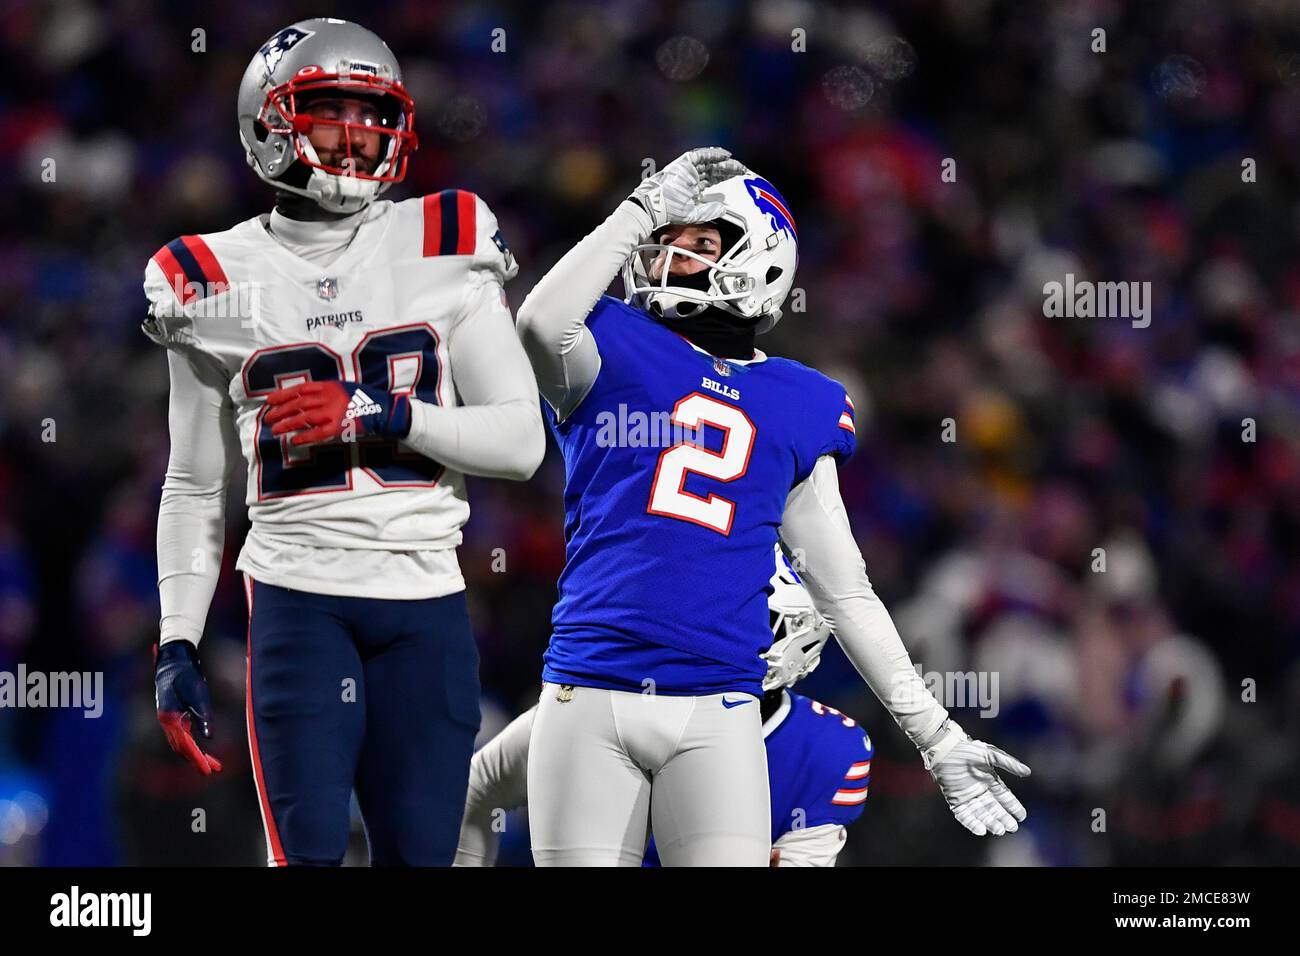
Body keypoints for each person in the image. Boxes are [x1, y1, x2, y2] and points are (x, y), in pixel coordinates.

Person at [515, 148, 1029, 866]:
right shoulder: (612, 345)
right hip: (587, 687)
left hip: (720, 704)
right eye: (667, 239)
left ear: (761, 259)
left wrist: (937, 736)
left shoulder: (800, 399)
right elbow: (539, 322)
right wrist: (641, 211)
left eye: (698, 242)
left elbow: (844, 589)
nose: (666, 253)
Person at [145, 18, 544, 866]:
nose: (361, 137)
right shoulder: (206, 275)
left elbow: (520, 442)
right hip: (297, 599)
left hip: (427, 600)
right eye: (335, 113)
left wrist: (382, 412)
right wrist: (178, 637)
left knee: (420, 857)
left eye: (375, 115)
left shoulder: (446, 237)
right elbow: (192, 482)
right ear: (272, 123)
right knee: (308, 857)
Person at [453, 550, 874, 867]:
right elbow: (478, 786)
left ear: (798, 638)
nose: (716, 629)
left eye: (747, 617)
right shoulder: (613, 700)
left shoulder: (827, 748)